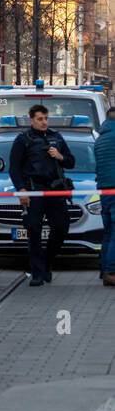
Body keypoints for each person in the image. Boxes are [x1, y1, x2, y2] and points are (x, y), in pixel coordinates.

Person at [9, 103, 76, 286]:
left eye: (46, 118)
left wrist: (60, 156)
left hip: (55, 190)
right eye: (40, 119)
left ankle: (45, 262)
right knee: (34, 231)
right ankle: (37, 274)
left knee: (61, 228)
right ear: (32, 120)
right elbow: (14, 168)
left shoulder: (57, 137)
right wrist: (21, 190)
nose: (44, 122)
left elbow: (71, 162)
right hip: (33, 191)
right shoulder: (23, 139)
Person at [94, 107, 115, 286]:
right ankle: (111, 270)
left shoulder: (100, 138)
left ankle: (104, 270)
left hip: (104, 189)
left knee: (108, 232)